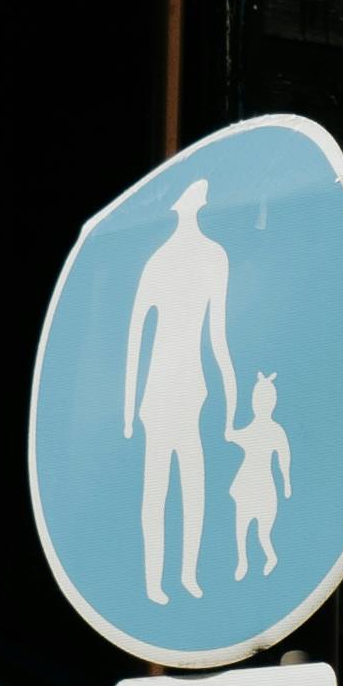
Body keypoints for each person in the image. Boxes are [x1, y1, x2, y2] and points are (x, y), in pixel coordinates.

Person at [121, 180, 237, 610]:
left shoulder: (208, 258)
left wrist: (231, 395)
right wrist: (129, 410)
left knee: (183, 484)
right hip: (167, 393)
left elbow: (215, 335)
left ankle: (184, 576)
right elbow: (137, 338)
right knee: (169, 487)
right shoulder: (168, 261)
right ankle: (161, 580)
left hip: (186, 392)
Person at [228, 370, 292, 584]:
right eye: (258, 399)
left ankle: (271, 557)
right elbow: (236, 437)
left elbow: (284, 458)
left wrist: (287, 482)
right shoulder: (254, 428)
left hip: (263, 487)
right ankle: (242, 562)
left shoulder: (275, 431)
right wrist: (230, 432)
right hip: (247, 484)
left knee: (263, 532)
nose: (261, 403)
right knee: (242, 527)